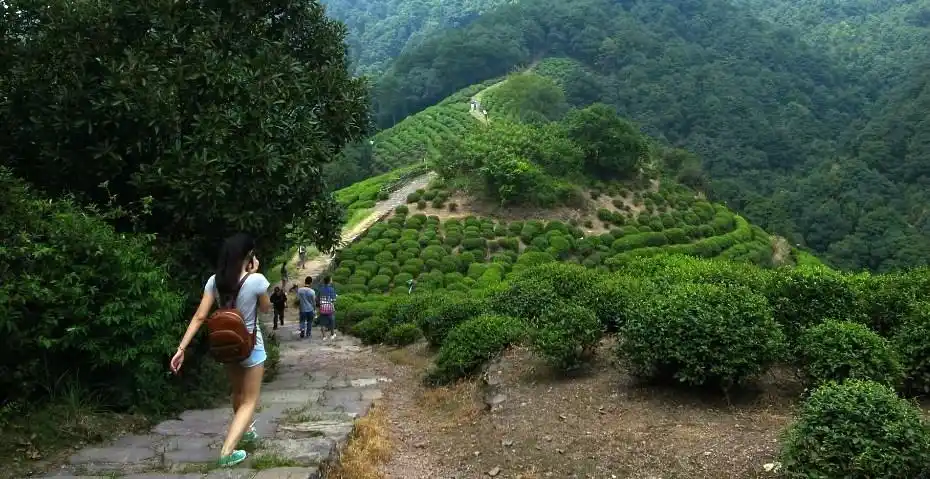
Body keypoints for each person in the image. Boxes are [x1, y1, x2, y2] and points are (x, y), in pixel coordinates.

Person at [170, 233, 271, 468]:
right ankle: (227, 451)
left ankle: (244, 431)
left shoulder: (214, 281)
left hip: (226, 345)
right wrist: (255, 274)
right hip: (251, 346)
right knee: (249, 400)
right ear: (248, 257)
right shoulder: (257, 281)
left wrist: (181, 348)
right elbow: (265, 309)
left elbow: (200, 317)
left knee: (237, 393)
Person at [316, 275, 338, 340]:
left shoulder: (320, 289)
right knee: (332, 321)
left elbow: (317, 299)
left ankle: (324, 336)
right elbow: (334, 299)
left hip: (322, 307)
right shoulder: (331, 289)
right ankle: (332, 334)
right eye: (331, 280)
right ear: (329, 281)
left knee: (322, 323)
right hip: (329, 307)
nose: (332, 281)